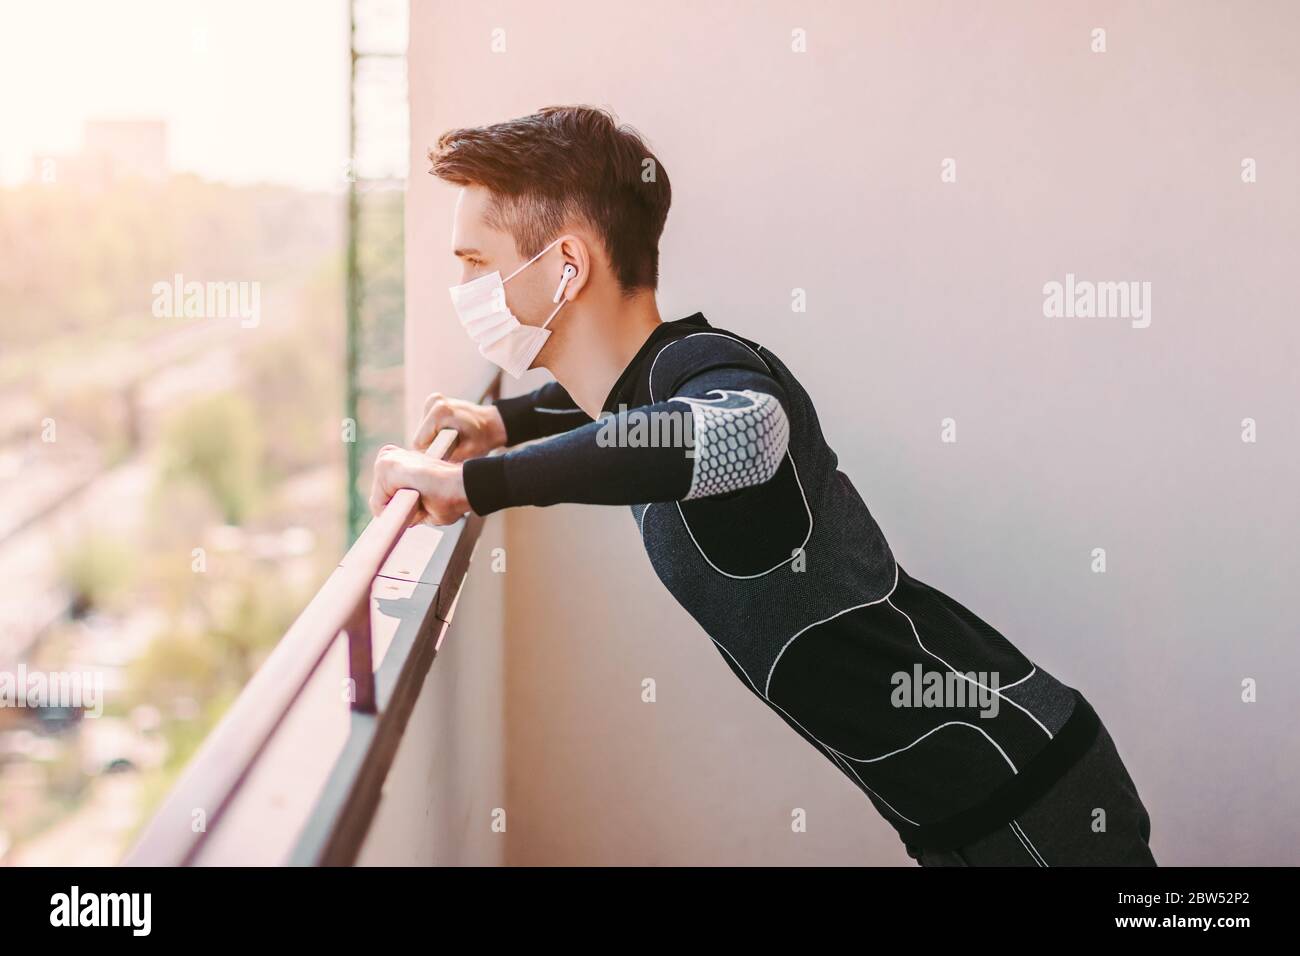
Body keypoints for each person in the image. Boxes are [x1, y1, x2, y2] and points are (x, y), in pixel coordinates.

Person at [369, 105, 1156, 866]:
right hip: (963, 807)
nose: (462, 285)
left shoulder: (707, 368)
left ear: (567, 267)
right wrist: (500, 423)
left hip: (1025, 789)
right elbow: (611, 415)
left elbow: (739, 431)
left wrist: (473, 483)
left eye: (476, 261)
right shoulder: (646, 382)